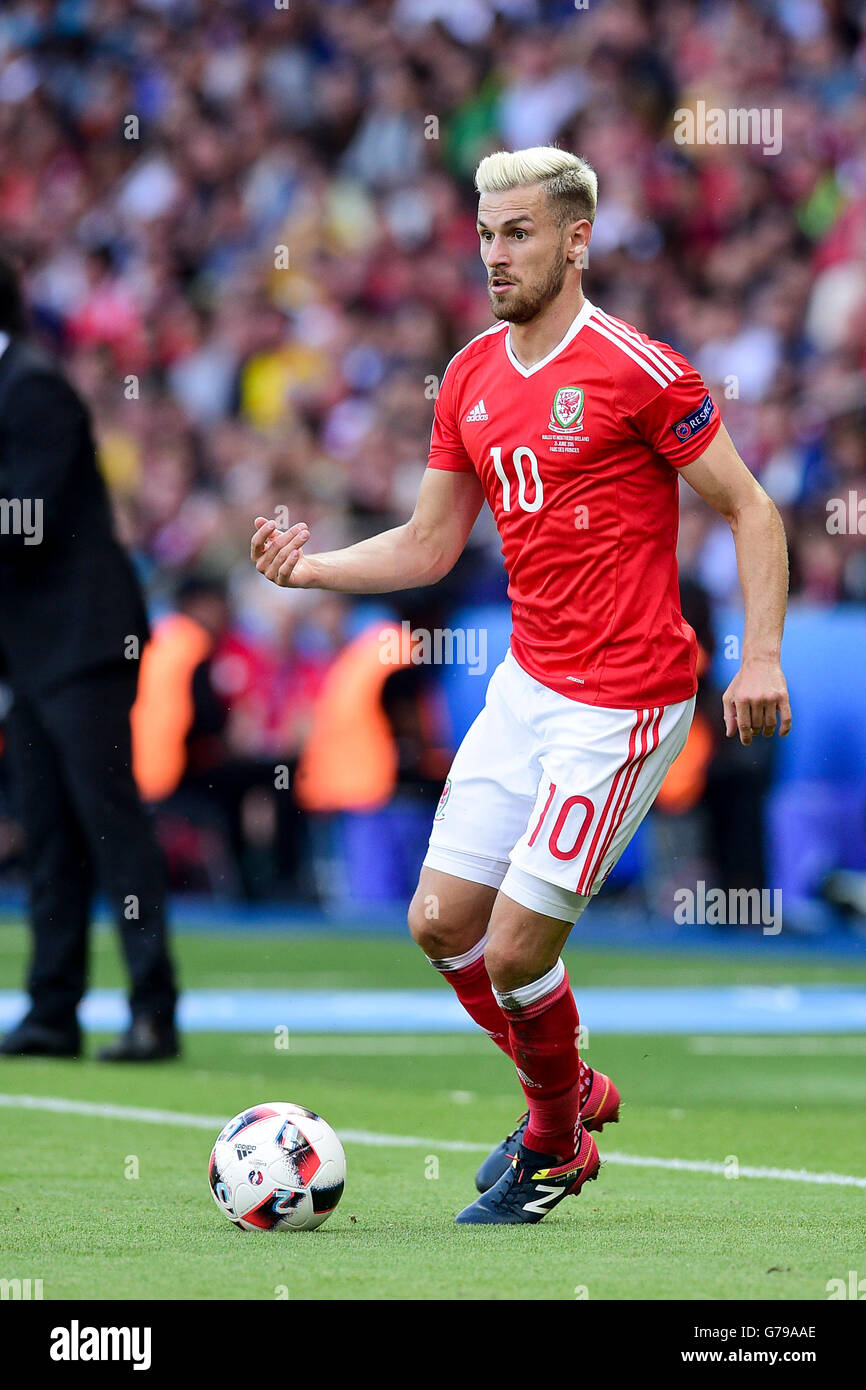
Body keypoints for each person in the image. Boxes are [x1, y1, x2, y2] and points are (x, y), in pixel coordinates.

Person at [250, 146, 792, 1225]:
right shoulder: (467, 375)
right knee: (437, 924)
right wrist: (310, 568)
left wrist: (762, 653)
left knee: (512, 949)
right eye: (486, 233)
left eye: (519, 233)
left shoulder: (639, 369)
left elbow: (751, 507)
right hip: (528, 687)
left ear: (575, 240)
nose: (495, 254)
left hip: (627, 701)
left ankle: (554, 1146)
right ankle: (572, 1089)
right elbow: (425, 544)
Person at [0, 255, 179, 1062]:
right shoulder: (20, 381)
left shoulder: (30, 383)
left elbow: (27, 521)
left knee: (109, 825)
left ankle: (152, 1008)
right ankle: (53, 1006)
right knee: (48, 827)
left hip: (83, 638)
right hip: (40, 647)